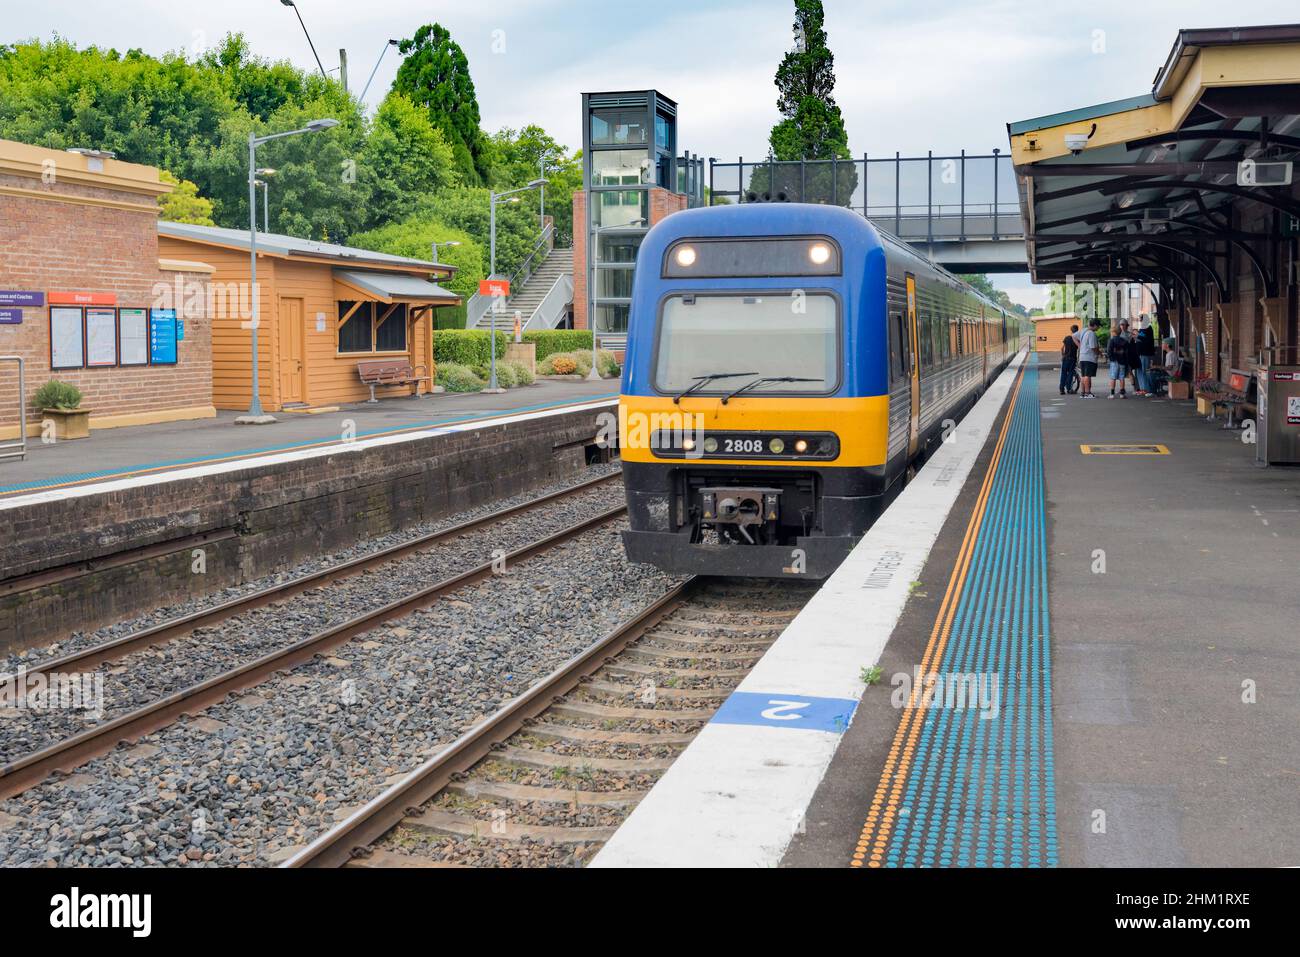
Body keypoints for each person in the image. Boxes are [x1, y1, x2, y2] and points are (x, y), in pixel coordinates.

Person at [1078, 319, 1101, 398]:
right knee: (1087, 375)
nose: (1098, 328)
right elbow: (1093, 347)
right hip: (1089, 357)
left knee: (1083, 375)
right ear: (1094, 325)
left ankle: (1083, 393)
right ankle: (1088, 393)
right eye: (1098, 326)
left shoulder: (1084, 331)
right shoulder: (1091, 333)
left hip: (1082, 356)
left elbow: (1074, 336)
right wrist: (1099, 353)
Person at [1106, 324, 1129, 398]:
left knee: (1113, 377)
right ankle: (1122, 394)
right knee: (1122, 377)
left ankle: (1112, 394)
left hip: (1114, 361)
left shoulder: (1111, 340)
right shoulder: (1124, 341)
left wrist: (1112, 359)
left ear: (1113, 332)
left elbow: (1109, 351)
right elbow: (1127, 352)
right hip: (1122, 361)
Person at [1124, 321, 1145, 395]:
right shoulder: (1130, 339)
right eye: (1132, 333)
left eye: (1135, 333)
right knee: (1131, 373)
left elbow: (1143, 336)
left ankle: (1139, 388)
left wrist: (1138, 334)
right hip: (1131, 358)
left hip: (1136, 358)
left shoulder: (1139, 339)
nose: (1133, 334)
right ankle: (1137, 388)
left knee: (1138, 373)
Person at [1137, 321, 1157, 395]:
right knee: (1140, 371)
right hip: (1140, 353)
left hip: (1145, 354)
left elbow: (1143, 338)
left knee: (1144, 371)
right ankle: (1143, 388)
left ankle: (1146, 389)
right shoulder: (1144, 329)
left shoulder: (1147, 329)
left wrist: (1137, 335)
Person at [1060, 323, 1079, 395]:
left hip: (1065, 358)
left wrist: (1063, 355)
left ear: (1071, 331)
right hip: (1072, 358)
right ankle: (1069, 389)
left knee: (1063, 373)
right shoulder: (1077, 339)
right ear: (1077, 331)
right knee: (1070, 373)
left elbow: (1062, 348)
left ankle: (1061, 389)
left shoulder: (1067, 338)